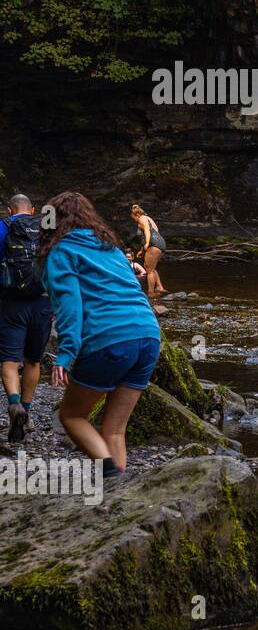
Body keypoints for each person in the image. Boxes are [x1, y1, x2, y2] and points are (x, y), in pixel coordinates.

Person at [42, 191, 161, 478]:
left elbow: (69, 307)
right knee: (115, 429)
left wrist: (66, 354)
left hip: (109, 339)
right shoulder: (112, 248)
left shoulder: (62, 252)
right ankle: (118, 496)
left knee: (71, 416)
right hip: (148, 335)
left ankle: (108, 471)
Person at [0, 194, 53, 443]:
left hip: (12, 302)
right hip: (43, 302)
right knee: (33, 360)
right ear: (32, 209)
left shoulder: (4, 227)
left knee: (10, 359)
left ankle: (13, 403)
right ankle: (27, 411)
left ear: (9, 210)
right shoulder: (46, 229)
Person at [130, 204, 167, 297]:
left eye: (133, 217)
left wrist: (147, 243)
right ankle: (160, 287)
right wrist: (142, 250)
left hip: (153, 244)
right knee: (151, 267)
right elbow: (152, 232)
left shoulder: (142, 219)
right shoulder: (148, 218)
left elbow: (147, 230)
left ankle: (150, 292)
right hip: (160, 243)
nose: (133, 219)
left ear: (136, 215)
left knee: (149, 270)